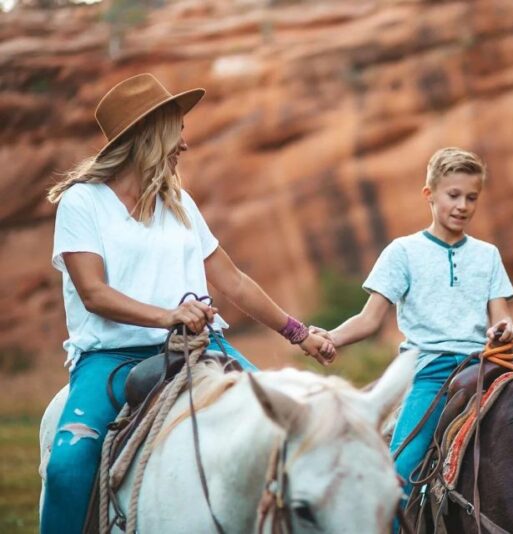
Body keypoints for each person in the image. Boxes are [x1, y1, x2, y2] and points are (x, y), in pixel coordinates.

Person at [41, 73, 334, 534]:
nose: (184, 143)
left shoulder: (179, 203)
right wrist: (168, 316)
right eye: (178, 128)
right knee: (66, 468)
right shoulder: (83, 203)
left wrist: (298, 333)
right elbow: (93, 293)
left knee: (289, 427)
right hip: (112, 358)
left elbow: (232, 281)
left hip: (202, 350)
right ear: (149, 133)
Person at [311, 147, 513, 504]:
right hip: (431, 370)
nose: (462, 206)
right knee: (399, 475)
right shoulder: (403, 252)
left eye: (472, 197)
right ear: (430, 195)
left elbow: (501, 317)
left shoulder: (488, 254)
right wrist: (328, 338)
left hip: (484, 364)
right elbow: (368, 319)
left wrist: (505, 330)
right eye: (453, 195)